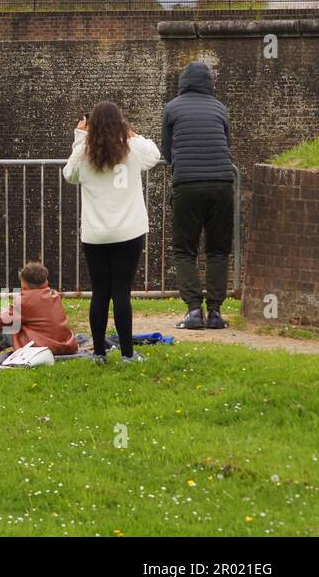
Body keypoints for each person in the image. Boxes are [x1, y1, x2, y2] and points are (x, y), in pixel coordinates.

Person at [62, 102, 161, 364]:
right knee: (121, 293)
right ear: (120, 122)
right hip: (129, 231)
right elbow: (153, 154)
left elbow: (69, 174)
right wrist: (130, 132)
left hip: (96, 235)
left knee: (100, 293)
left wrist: (79, 137)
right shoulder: (131, 150)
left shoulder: (85, 152)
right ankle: (128, 353)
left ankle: (98, 353)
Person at [162, 61, 236, 330]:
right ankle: (215, 313)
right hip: (222, 184)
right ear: (209, 84)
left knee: (184, 250)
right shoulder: (220, 108)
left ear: (183, 83)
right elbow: (227, 145)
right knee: (218, 249)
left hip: (188, 185)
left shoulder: (171, 108)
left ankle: (194, 311)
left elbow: (167, 152)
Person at [0, 262, 78, 363]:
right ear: (46, 282)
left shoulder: (24, 300)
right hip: (64, 344)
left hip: (42, 347)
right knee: (19, 327)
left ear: (23, 285)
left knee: (5, 328)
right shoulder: (54, 295)